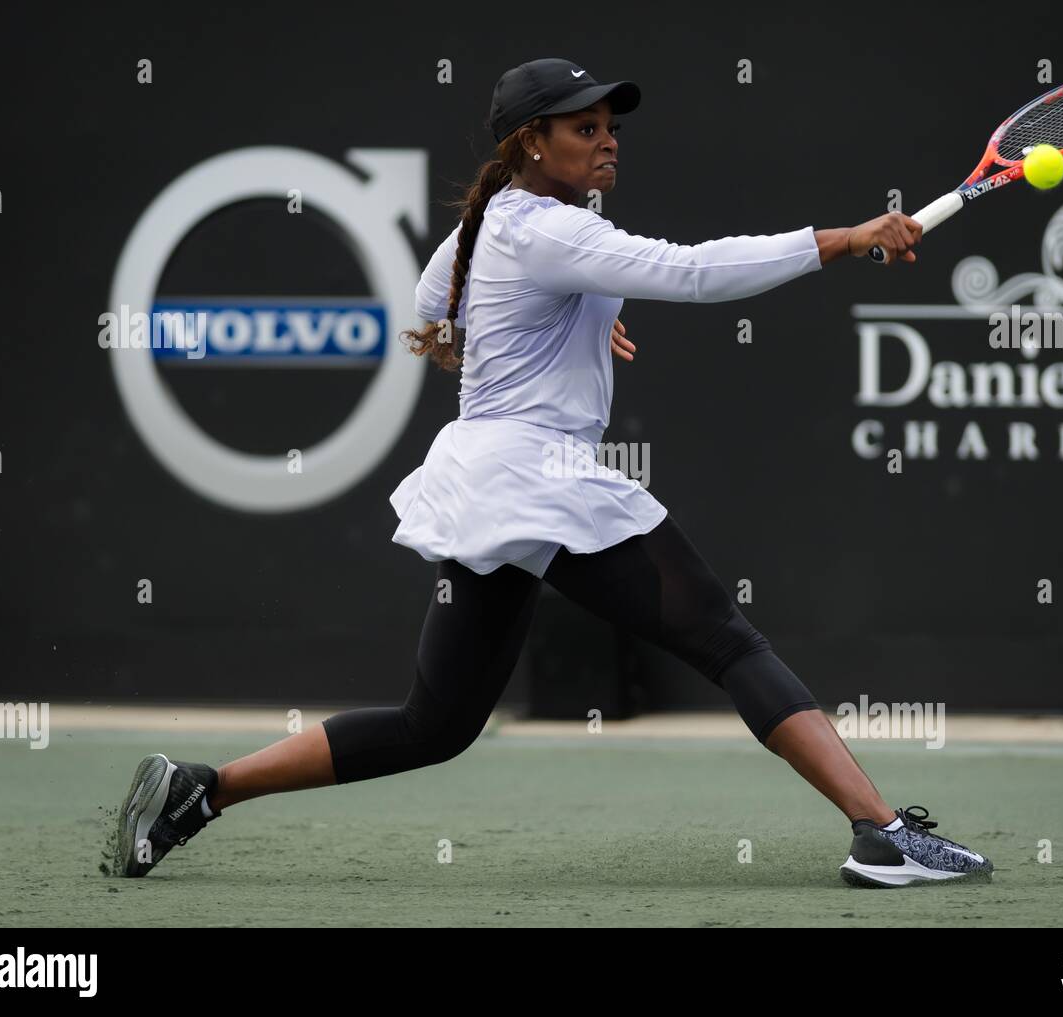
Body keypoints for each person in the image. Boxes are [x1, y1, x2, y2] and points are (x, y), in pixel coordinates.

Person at [114, 58, 992, 889]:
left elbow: (434, 307)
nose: (608, 140)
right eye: (585, 127)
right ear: (532, 141)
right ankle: (882, 833)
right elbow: (689, 273)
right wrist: (846, 238)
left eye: (611, 126)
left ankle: (201, 789)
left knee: (436, 724)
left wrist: (565, 331)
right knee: (727, 641)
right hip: (541, 477)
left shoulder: (497, 222)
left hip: (490, 482)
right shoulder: (552, 228)